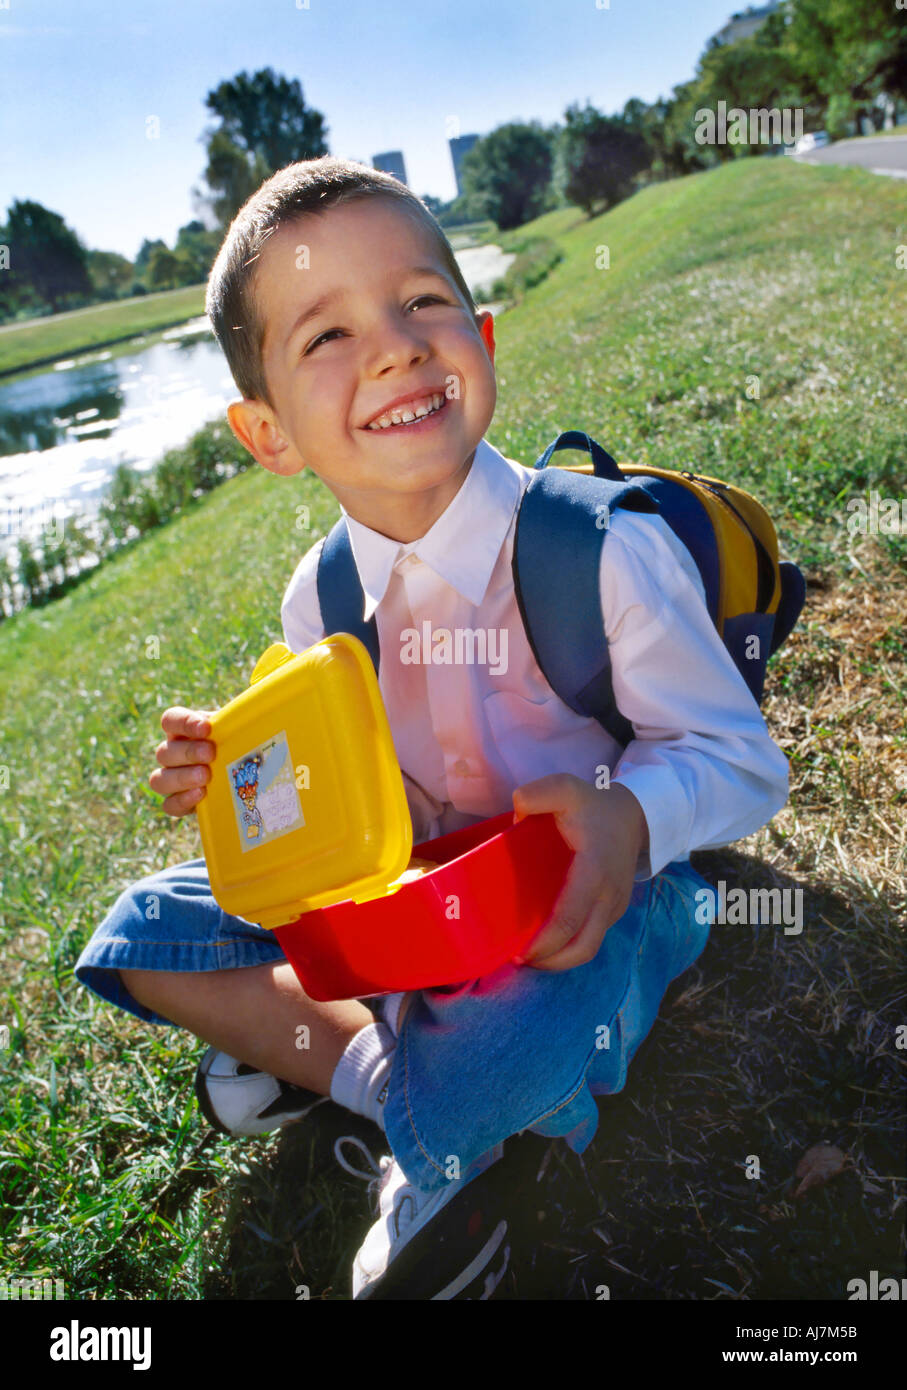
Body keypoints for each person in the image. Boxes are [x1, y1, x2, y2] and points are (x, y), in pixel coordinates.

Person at [74, 156, 789, 1301]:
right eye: (326, 337)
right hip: (423, 901)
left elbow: (744, 763)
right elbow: (370, 820)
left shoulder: (598, 549)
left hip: (592, 898)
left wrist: (628, 816)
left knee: (508, 1039)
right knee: (139, 931)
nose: (396, 346)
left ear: (483, 335)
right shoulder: (321, 599)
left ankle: (405, 1121)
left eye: (421, 302)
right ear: (267, 433)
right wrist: (239, 788)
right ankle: (389, 1075)